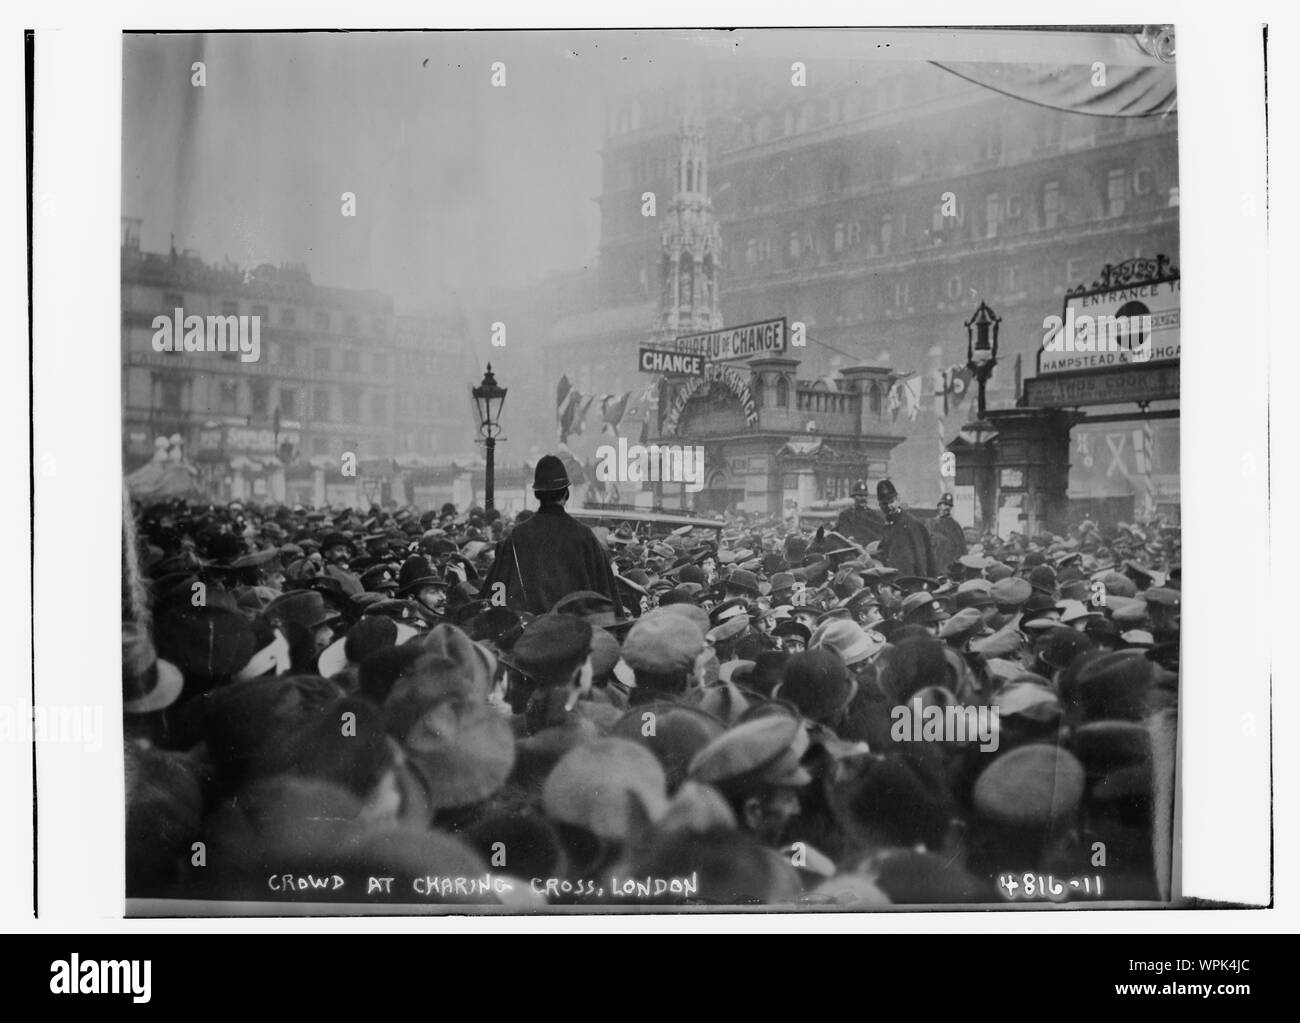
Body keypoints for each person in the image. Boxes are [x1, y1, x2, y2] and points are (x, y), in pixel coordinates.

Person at [481, 454, 621, 616]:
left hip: (526, 635)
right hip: (576, 633)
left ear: (537, 494)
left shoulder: (516, 536)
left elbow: (496, 592)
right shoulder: (584, 537)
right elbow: (607, 596)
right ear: (566, 494)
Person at [877, 479, 937, 579]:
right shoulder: (888, 524)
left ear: (898, 499)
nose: (889, 506)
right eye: (884, 504)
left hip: (909, 579)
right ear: (879, 505)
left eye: (891, 501)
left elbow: (921, 557)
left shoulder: (912, 523)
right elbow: (884, 551)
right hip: (892, 578)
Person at [834, 480, 887, 546]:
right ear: (854, 497)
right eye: (860, 495)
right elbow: (843, 533)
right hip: (853, 550)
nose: (863, 498)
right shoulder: (846, 515)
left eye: (865, 495)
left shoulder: (874, 515)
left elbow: (883, 531)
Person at [927, 492, 968, 572]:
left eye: (949, 505)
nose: (947, 507)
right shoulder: (930, 524)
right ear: (939, 506)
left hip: (949, 569)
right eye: (945, 504)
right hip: (934, 567)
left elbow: (962, 549)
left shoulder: (955, 526)